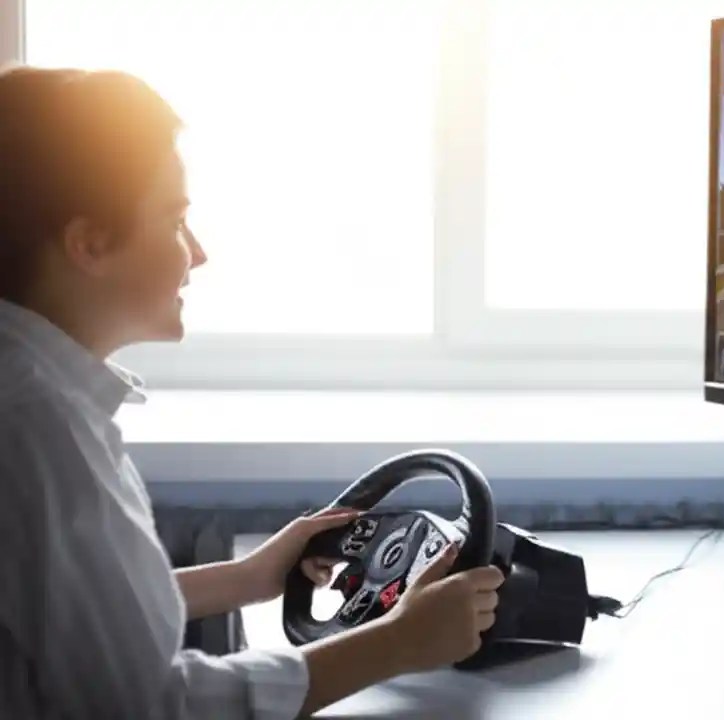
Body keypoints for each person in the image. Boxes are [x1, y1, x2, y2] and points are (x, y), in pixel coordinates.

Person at [0, 64, 505, 718]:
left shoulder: (30, 398)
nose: (197, 253)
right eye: (175, 221)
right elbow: (151, 706)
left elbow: (71, 614)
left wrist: (245, 578)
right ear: (90, 243)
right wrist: (398, 643)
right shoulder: (42, 434)